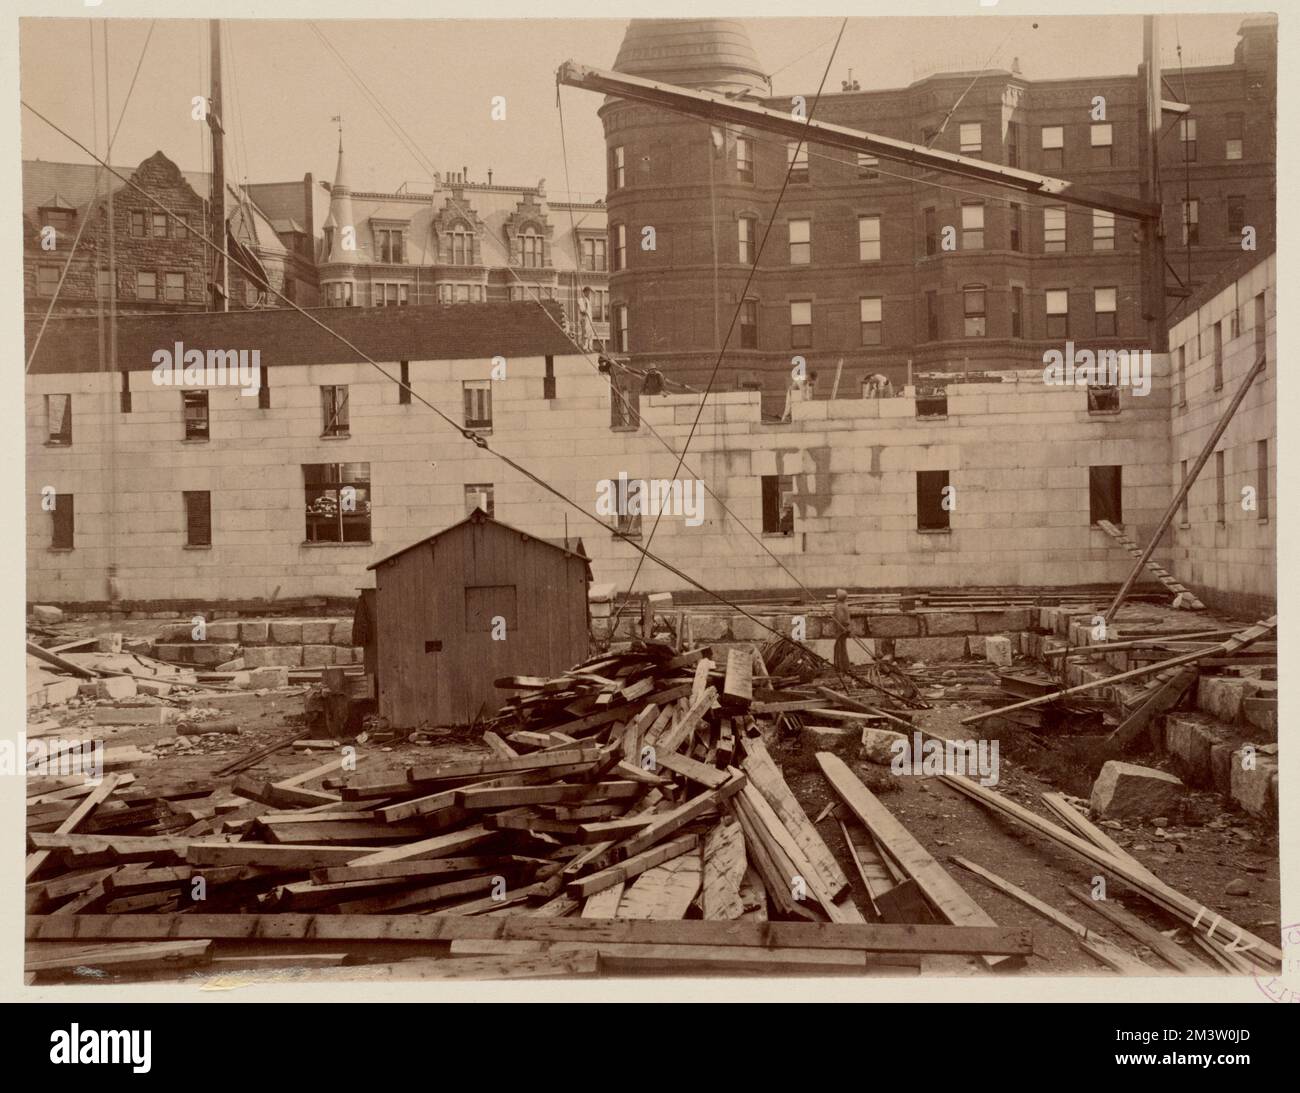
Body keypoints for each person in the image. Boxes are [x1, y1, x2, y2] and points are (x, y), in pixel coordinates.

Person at [832, 588, 852, 673]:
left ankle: (840, 667)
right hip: (845, 629)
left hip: (841, 630)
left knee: (839, 648)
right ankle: (845, 666)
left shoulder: (838, 606)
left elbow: (839, 619)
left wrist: (833, 618)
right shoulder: (845, 605)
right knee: (843, 648)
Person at [577, 286, 597, 352]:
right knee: (585, 333)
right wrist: (584, 311)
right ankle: (585, 347)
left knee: (590, 333)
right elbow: (581, 310)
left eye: (589, 292)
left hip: (589, 319)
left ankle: (590, 347)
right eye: (588, 292)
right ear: (585, 292)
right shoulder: (581, 300)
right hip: (584, 318)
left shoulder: (588, 301)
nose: (589, 294)